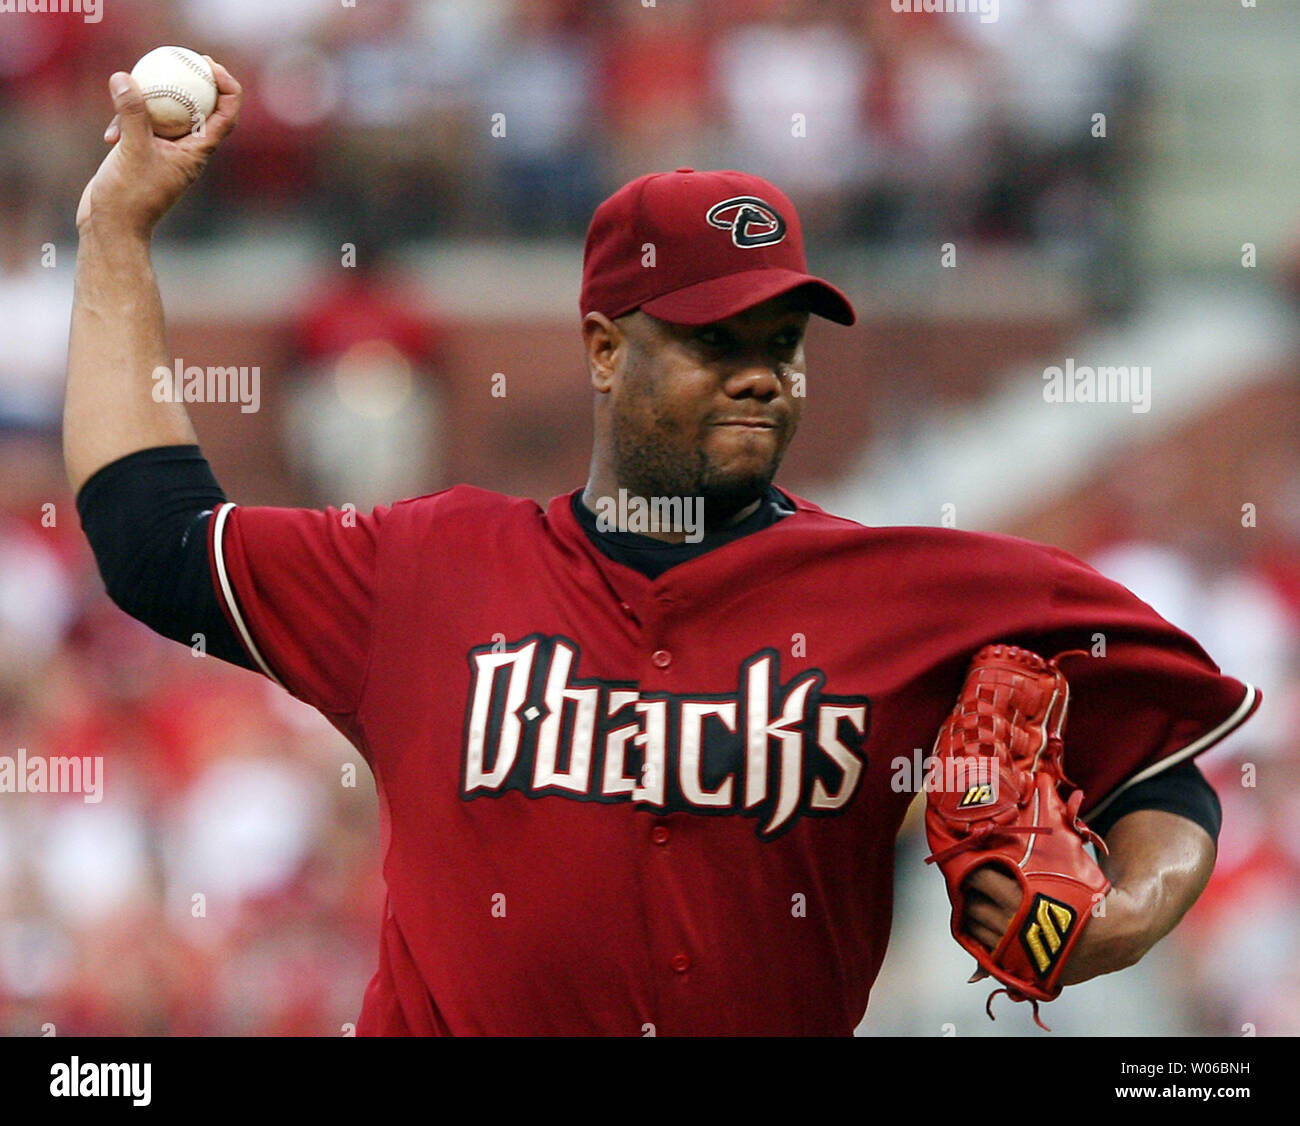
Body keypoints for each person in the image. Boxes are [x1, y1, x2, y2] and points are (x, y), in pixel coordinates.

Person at [66, 60, 1260, 1036]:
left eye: (781, 338)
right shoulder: (420, 569)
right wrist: (117, 228)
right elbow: (151, 537)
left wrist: (1128, 912)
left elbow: (1160, 762)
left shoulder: (922, 594)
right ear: (600, 349)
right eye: (712, 336)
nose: (761, 371)